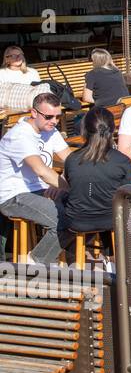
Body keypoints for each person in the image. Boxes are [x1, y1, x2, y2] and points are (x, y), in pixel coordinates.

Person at [55, 106, 131, 262]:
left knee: (78, 199)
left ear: (84, 130)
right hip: (113, 220)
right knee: (123, 210)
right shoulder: (122, 161)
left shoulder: (72, 159)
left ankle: (70, 252)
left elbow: (75, 187)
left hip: (77, 221)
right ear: (112, 130)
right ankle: (115, 259)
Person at [0, 93, 70, 255]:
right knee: (65, 221)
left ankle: (70, 259)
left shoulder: (51, 131)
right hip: (13, 195)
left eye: (58, 117)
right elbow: (41, 170)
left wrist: (65, 179)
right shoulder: (20, 135)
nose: (54, 121)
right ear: (33, 112)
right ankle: (35, 264)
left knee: (87, 210)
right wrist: (68, 187)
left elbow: (72, 161)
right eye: (49, 116)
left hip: (40, 190)